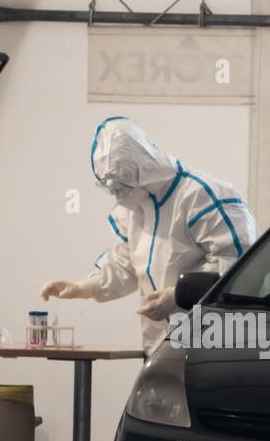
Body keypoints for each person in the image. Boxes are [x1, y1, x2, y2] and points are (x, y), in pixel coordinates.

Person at [40, 117, 257, 352]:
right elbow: (124, 264)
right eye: (111, 188)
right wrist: (83, 287)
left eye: (121, 187)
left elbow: (237, 264)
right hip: (160, 347)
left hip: (214, 344)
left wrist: (179, 295)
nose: (117, 196)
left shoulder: (201, 196)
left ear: (143, 170)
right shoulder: (135, 209)